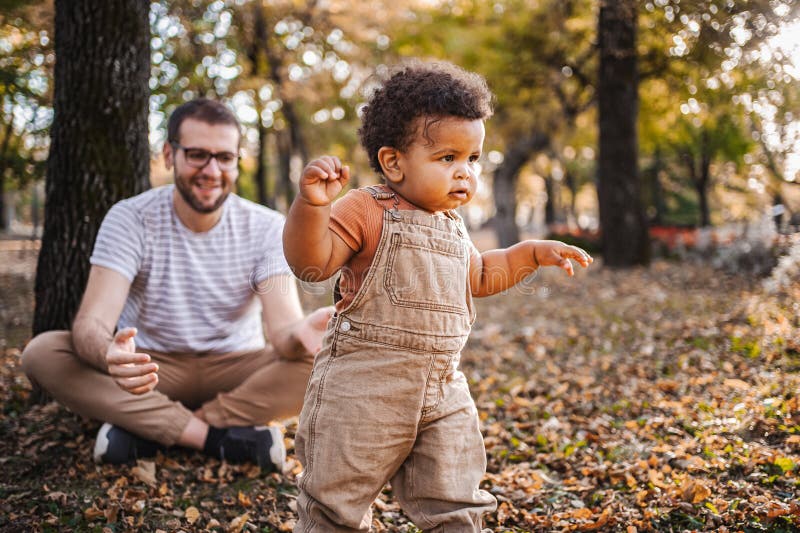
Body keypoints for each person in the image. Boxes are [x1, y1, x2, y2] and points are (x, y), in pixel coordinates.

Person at [282, 61, 593, 532]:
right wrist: (312, 206)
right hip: (362, 390)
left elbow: (482, 274)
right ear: (394, 162)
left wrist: (530, 253)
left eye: (473, 159)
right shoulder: (367, 209)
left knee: (457, 500)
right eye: (448, 158)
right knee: (335, 504)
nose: (465, 173)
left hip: (444, 390)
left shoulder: (452, 224)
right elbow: (312, 262)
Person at [21, 98, 333, 471]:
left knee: (334, 360)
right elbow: (91, 323)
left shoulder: (267, 227)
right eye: (197, 155)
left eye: (224, 157)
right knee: (42, 353)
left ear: (237, 160)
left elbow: (282, 335)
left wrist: (304, 332)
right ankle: (217, 438)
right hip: (151, 369)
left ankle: (148, 430)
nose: (211, 170)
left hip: (238, 370)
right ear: (169, 154)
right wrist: (108, 354)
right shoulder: (131, 218)